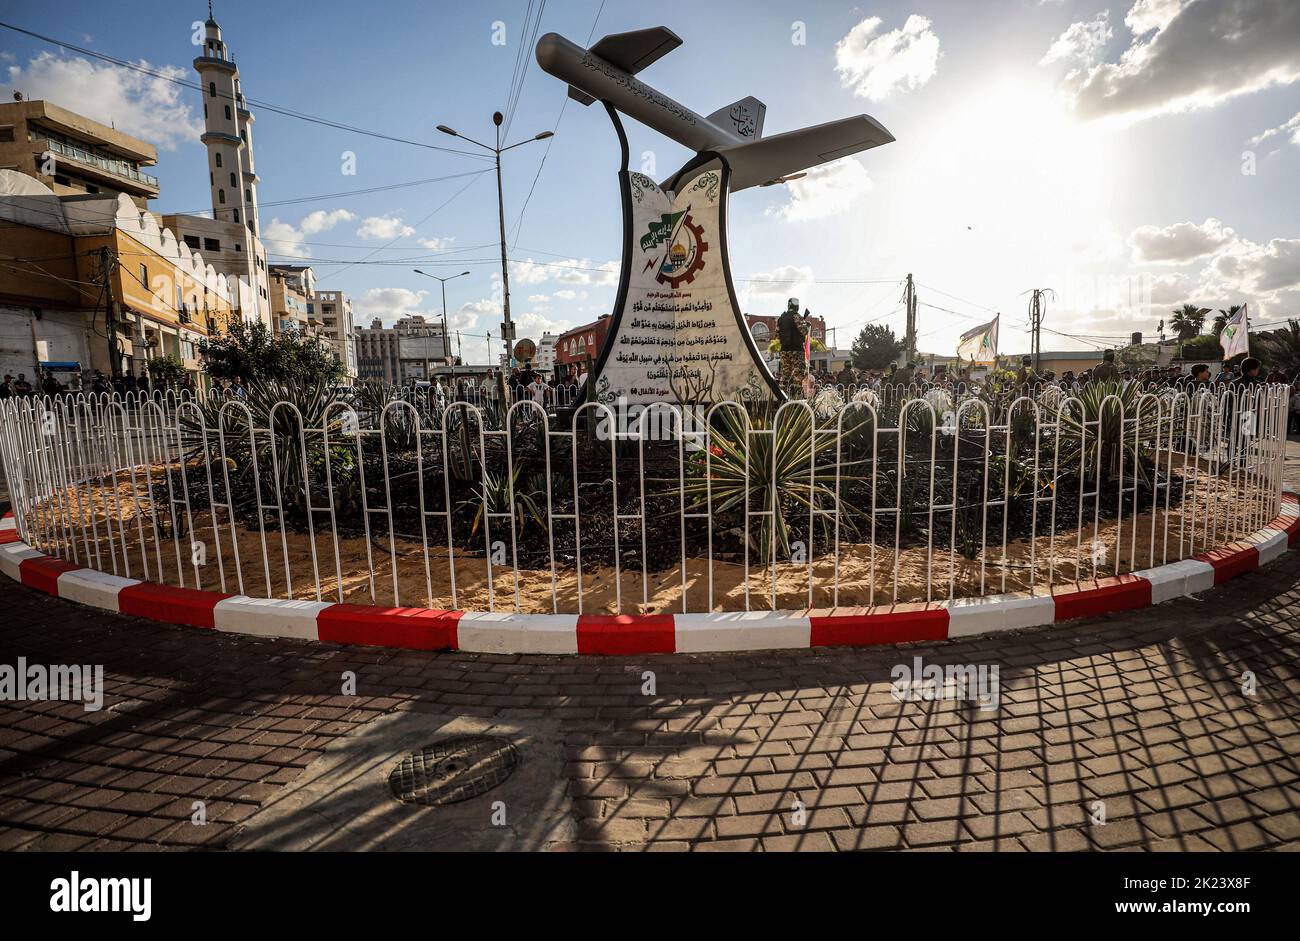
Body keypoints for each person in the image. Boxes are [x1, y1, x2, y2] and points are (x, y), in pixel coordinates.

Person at [776, 298, 809, 388]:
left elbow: (778, 336)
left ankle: (783, 396)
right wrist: (807, 325)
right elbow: (804, 331)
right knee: (798, 375)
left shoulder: (781, 318)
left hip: (784, 350)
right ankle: (796, 398)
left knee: (785, 374)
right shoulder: (797, 316)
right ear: (797, 307)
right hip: (796, 350)